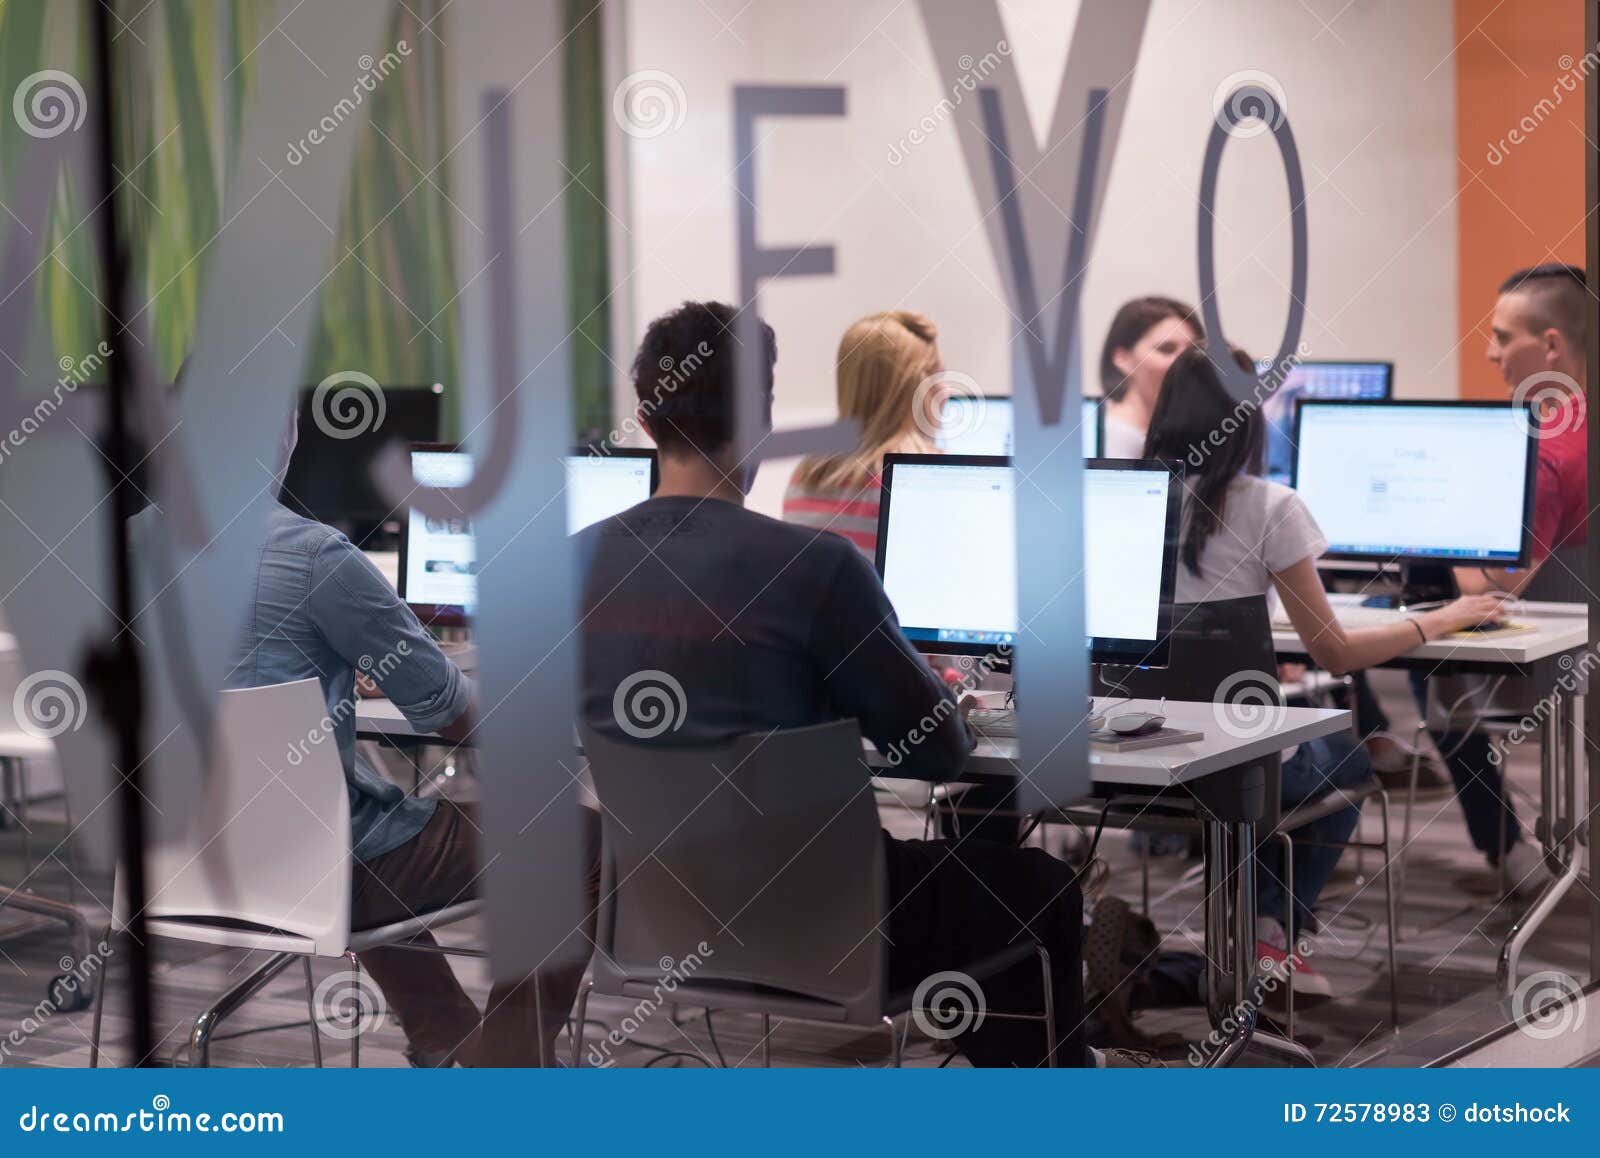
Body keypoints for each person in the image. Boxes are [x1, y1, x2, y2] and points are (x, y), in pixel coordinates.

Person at [578, 300, 1094, 1067]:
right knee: (1040, 884)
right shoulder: (816, 569)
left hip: (654, 916)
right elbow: (940, 755)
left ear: (648, 425)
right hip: (831, 917)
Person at [135, 411, 596, 1067]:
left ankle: (451, 1044)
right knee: (578, 841)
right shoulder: (316, 556)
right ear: (286, 430)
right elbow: (447, 712)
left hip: (170, 856)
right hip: (306, 865)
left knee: (358, 806)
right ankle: (508, 1074)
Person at [1141, 346, 1505, 999]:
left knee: (1281, 758)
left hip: (1131, 760)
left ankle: (1250, 933)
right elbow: (1333, 652)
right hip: (1231, 755)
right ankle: (1268, 931)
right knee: (1349, 756)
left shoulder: (1120, 496)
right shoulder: (1267, 505)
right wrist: (1440, 620)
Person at [1424, 263, 1590, 894]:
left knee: (1418, 660)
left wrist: (1439, 530)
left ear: (1548, 346)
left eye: (1500, 336)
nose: (1491, 353)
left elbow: (1490, 589)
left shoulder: (1546, 447)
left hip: (1554, 668)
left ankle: (1504, 847)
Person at [783, 309, 944, 557]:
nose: (945, 390)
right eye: (939, 376)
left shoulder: (804, 477)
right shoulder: (927, 479)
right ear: (919, 386)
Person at [1098, 296, 1203, 457]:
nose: (1186, 361)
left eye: (1194, 350)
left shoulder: (1201, 438)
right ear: (1123, 359)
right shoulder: (1101, 440)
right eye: (1166, 349)